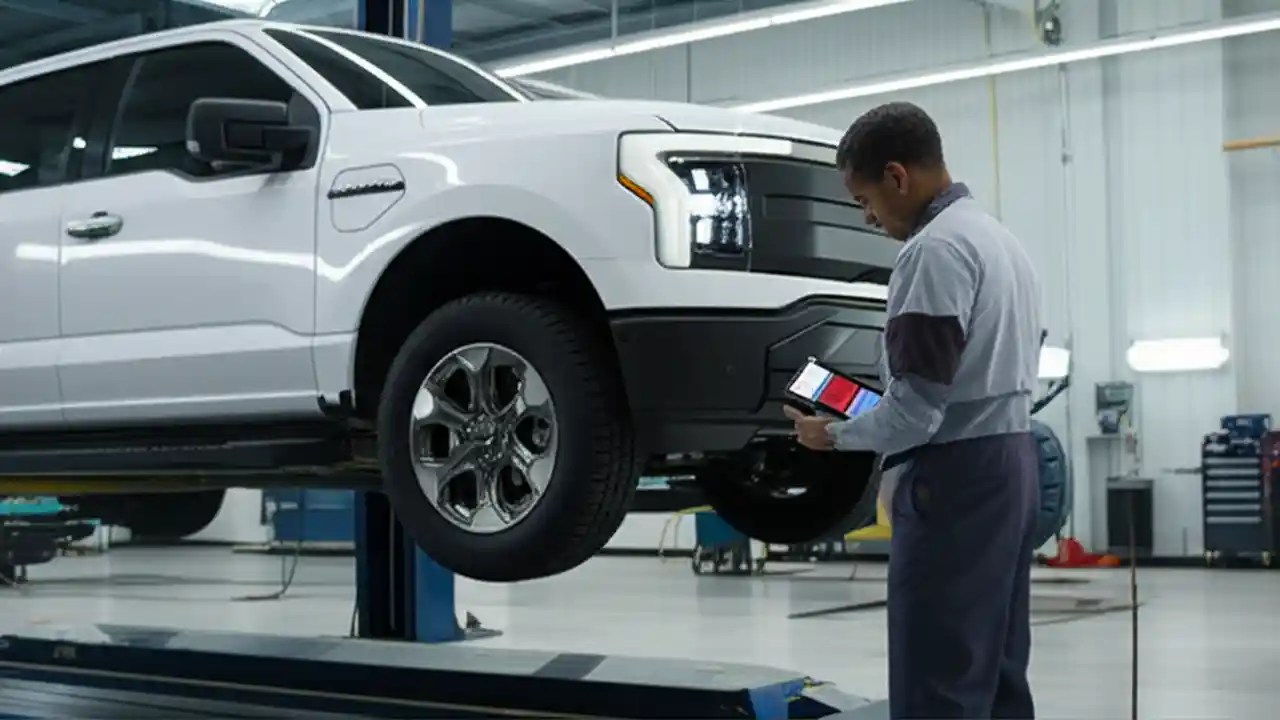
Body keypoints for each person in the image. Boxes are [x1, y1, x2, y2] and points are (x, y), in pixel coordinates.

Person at [784, 101, 1043, 719]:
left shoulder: (934, 252)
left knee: (939, 678)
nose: (870, 217)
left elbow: (916, 414)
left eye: (865, 201)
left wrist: (832, 435)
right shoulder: (1001, 242)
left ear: (898, 176)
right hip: (1012, 466)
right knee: (997, 666)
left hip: (954, 483)